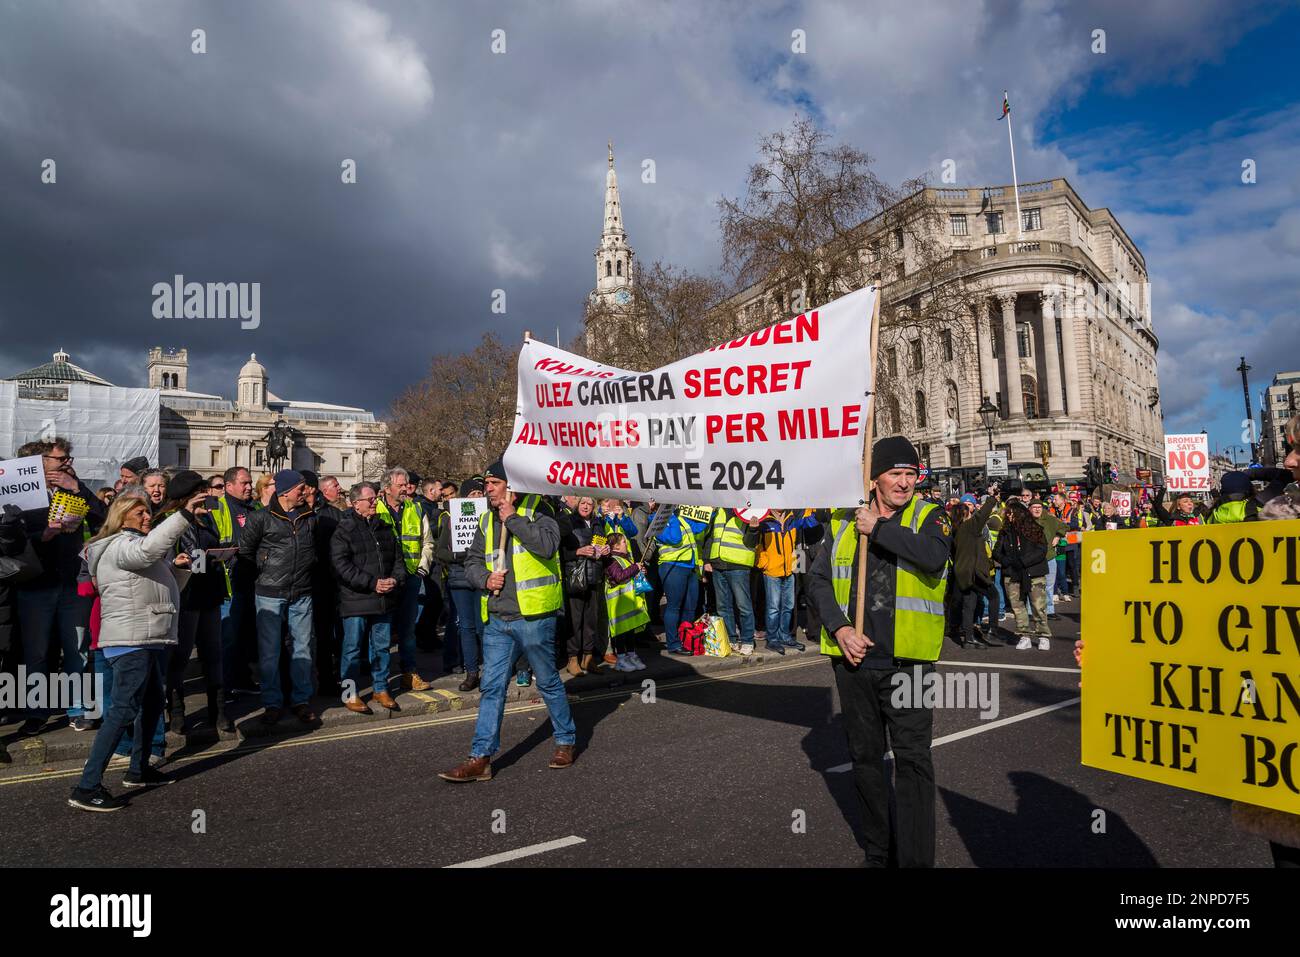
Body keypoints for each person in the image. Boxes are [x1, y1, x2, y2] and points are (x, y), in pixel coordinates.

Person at [806, 435, 951, 867]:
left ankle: (914, 860)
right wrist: (841, 628)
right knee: (865, 760)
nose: (905, 483)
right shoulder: (841, 520)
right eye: (895, 474)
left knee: (913, 763)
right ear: (874, 479)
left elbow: (933, 557)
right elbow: (817, 582)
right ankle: (877, 849)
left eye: (911, 474)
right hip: (854, 662)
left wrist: (880, 529)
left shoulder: (930, 515)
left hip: (909, 665)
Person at [70, 480, 207, 811]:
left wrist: (179, 570)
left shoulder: (135, 544)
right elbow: (145, 553)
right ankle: (87, 787)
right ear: (121, 516)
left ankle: (139, 768)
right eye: (141, 511)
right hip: (130, 640)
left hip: (148, 636)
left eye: (148, 511)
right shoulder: (117, 544)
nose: (148, 516)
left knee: (148, 705)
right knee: (123, 710)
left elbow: (163, 582)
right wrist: (184, 515)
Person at [438, 457, 576, 781]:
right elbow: (471, 561)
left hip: (534, 618)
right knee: (492, 687)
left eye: (493, 484)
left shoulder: (541, 510)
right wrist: (484, 579)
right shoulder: (486, 521)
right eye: (486, 484)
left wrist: (512, 518)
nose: (487, 489)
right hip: (498, 618)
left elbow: (547, 545)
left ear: (511, 486)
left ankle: (566, 740)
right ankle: (481, 757)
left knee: (548, 682)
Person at [15, 437, 106, 736]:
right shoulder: (22, 493)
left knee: (76, 648)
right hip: (35, 584)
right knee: (37, 652)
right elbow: (10, 534)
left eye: (68, 458)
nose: (68, 463)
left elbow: (104, 519)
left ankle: (79, 708)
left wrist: (77, 488)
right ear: (39, 463)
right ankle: (36, 711)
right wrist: (41, 535)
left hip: (71, 582)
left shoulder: (75, 487)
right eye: (61, 459)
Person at [237, 469, 320, 727]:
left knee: (303, 648)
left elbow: (314, 549)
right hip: (270, 593)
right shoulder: (260, 518)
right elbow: (246, 553)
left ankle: (300, 701)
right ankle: (272, 703)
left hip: (302, 592)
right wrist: (264, 572)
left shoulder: (310, 517)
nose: (305, 492)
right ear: (285, 492)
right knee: (270, 652)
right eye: (300, 488)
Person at [331, 481, 405, 714]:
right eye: (370, 499)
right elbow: (341, 565)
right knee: (352, 649)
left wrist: (394, 579)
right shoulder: (344, 530)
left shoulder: (384, 527)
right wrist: (372, 583)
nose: (375, 502)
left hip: (383, 599)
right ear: (355, 504)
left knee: (382, 647)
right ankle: (349, 693)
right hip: (356, 599)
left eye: (375, 498)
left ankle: (381, 688)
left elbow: (398, 559)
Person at [166, 473, 227, 733]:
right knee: (180, 657)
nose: (207, 497)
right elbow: (172, 558)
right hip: (187, 596)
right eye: (201, 492)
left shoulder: (208, 519)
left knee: (213, 654)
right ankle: (177, 712)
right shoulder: (174, 522)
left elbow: (206, 552)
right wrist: (200, 559)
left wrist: (220, 555)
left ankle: (219, 711)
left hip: (210, 595)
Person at [374, 467, 435, 692]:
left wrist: (421, 569)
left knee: (408, 630)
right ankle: (380, 681)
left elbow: (427, 542)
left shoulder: (416, 509)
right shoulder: (375, 508)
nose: (406, 488)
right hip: (385, 578)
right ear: (387, 487)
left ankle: (409, 673)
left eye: (407, 484)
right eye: (401, 485)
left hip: (410, 577)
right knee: (381, 631)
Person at [210, 466, 259, 706]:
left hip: (253, 581)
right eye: (244, 483)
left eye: (250, 483)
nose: (249, 486)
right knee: (228, 638)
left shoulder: (256, 507)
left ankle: (243, 680)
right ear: (229, 486)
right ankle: (224, 687)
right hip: (228, 582)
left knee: (247, 636)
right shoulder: (217, 508)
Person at [435, 477, 488, 692]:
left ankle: (489, 671)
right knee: (466, 627)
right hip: (460, 578)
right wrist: (460, 554)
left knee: (484, 626)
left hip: (483, 576)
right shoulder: (451, 518)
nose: (476, 497)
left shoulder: (489, 517)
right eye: (472, 494)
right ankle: (472, 672)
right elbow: (441, 551)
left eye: (479, 494)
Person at [756, 508, 819, 653]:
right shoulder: (765, 521)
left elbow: (811, 523)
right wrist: (764, 564)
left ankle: (784, 636)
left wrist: (809, 507)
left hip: (789, 571)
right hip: (772, 572)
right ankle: (772, 639)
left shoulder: (793, 518)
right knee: (773, 608)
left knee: (788, 606)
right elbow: (758, 545)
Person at [992, 499, 1051, 650]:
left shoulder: (1034, 529)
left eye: (1011, 514)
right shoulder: (1005, 532)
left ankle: (1043, 635)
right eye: (1007, 514)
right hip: (1012, 573)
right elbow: (996, 552)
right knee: (1017, 606)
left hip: (1033, 573)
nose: (1009, 517)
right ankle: (1024, 635)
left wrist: (1023, 561)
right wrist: (1007, 560)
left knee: (1038, 606)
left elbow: (1041, 550)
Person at [702, 507, 760, 655]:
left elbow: (751, 543)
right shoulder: (719, 510)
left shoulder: (748, 511)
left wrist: (753, 529)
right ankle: (732, 640)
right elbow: (711, 537)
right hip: (718, 564)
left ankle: (747, 641)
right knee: (723, 606)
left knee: (743, 605)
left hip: (738, 565)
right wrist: (707, 560)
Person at [655, 507, 708, 656]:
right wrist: (671, 516)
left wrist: (712, 511)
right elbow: (675, 538)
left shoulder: (682, 518)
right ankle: (673, 644)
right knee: (674, 607)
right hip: (672, 566)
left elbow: (699, 526)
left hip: (690, 567)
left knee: (690, 607)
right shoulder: (657, 519)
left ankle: (686, 639)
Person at [951, 492, 998, 648]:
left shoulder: (955, 530)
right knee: (994, 596)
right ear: (965, 514)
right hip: (973, 572)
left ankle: (969, 639)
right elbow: (983, 514)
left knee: (968, 605)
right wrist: (992, 497)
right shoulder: (969, 527)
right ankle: (993, 630)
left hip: (962, 573)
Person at [603, 533, 648, 671]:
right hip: (618, 603)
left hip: (627, 603)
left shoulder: (625, 558)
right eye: (623, 542)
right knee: (621, 633)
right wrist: (635, 567)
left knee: (629, 631)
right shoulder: (612, 559)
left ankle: (631, 655)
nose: (626, 544)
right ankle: (621, 659)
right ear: (616, 546)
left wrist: (639, 571)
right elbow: (619, 577)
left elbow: (630, 574)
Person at [1028, 499, 1066, 621]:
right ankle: (1030, 611)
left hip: (1049, 557)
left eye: (1039, 507)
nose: (1037, 509)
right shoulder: (1025, 521)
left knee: (1049, 585)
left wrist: (1058, 535)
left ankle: (1049, 611)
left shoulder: (1050, 519)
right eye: (1034, 507)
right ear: (1030, 508)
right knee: (1032, 585)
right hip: (1032, 559)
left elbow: (1064, 526)